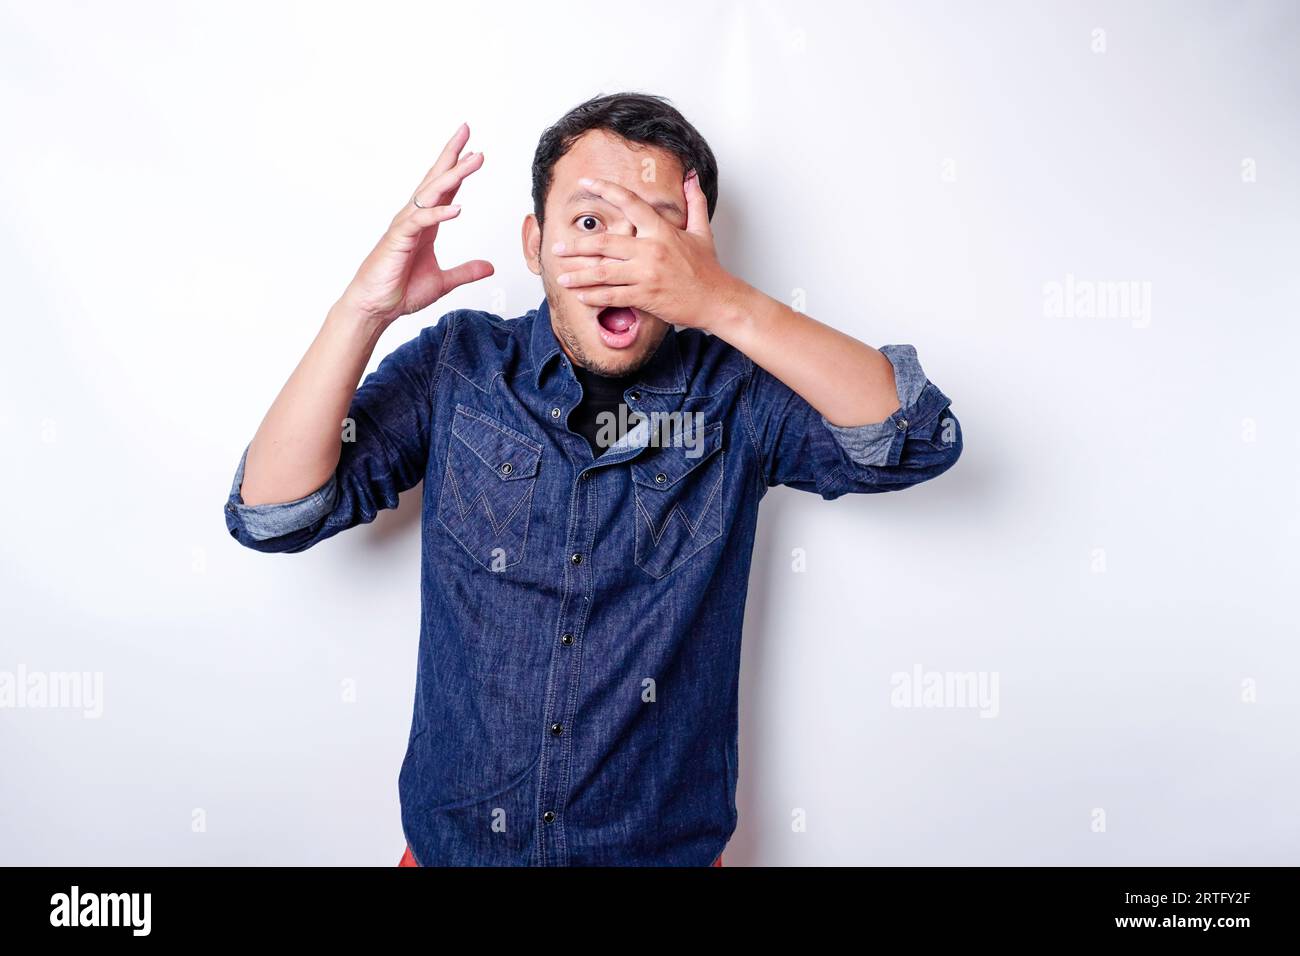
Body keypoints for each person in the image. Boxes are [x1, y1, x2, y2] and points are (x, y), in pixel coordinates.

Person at [223, 92, 963, 866]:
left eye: (654, 224)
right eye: (588, 222)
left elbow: (916, 440)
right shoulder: (459, 364)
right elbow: (274, 513)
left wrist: (725, 301)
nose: (619, 255)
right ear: (534, 242)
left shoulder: (739, 392)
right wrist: (362, 311)